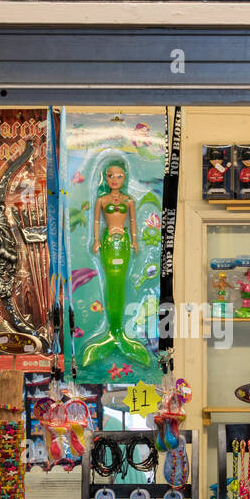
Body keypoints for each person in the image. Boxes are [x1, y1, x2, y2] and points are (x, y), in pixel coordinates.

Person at [82, 157, 152, 369]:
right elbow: (96, 221)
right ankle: (112, 332)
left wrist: (135, 241)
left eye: (119, 176)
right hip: (107, 244)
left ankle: (118, 332)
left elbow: (133, 222)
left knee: (120, 282)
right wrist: (95, 240)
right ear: (106, 177)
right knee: (110, 282)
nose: (115, 179)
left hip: (123, 244)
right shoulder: (101, 200)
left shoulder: (129, 200)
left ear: (125, 177)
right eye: (111, 175)